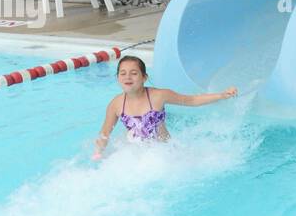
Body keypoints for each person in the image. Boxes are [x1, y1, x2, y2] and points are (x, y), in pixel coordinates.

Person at [93, 55, 237, 158]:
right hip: (136, 156)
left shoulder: (158, 96)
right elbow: (104, 133)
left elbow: (191, 100)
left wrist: (222, 95)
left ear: (144, 77)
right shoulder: (116, 104)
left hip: (164, 153)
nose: (127, 77)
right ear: (117, 78)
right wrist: (98, 153)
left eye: (134, 73)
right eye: (122, 73)